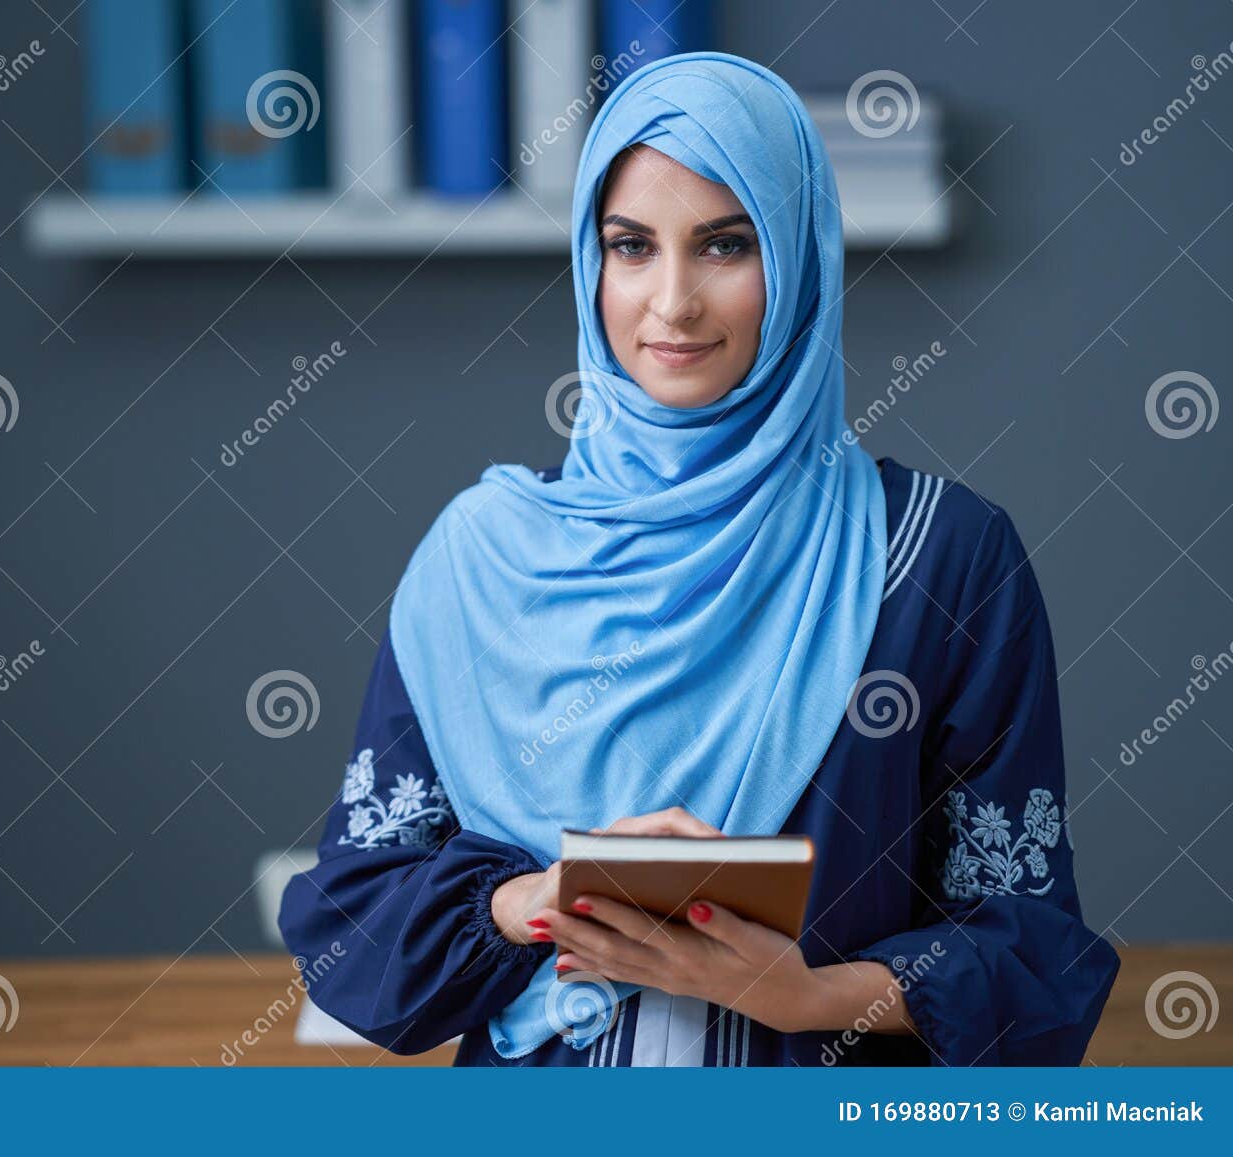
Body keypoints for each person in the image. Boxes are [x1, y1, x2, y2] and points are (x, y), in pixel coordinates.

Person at [278, 51, 1119, 1067]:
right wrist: (537, 900)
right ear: (590, 265)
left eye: (725, 245)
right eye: (630, 246)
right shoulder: (480, 560)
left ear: (798, 255)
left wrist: (806, 994)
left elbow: (1033, 953)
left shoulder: (939, 556)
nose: (670, 303)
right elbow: (351, 926)